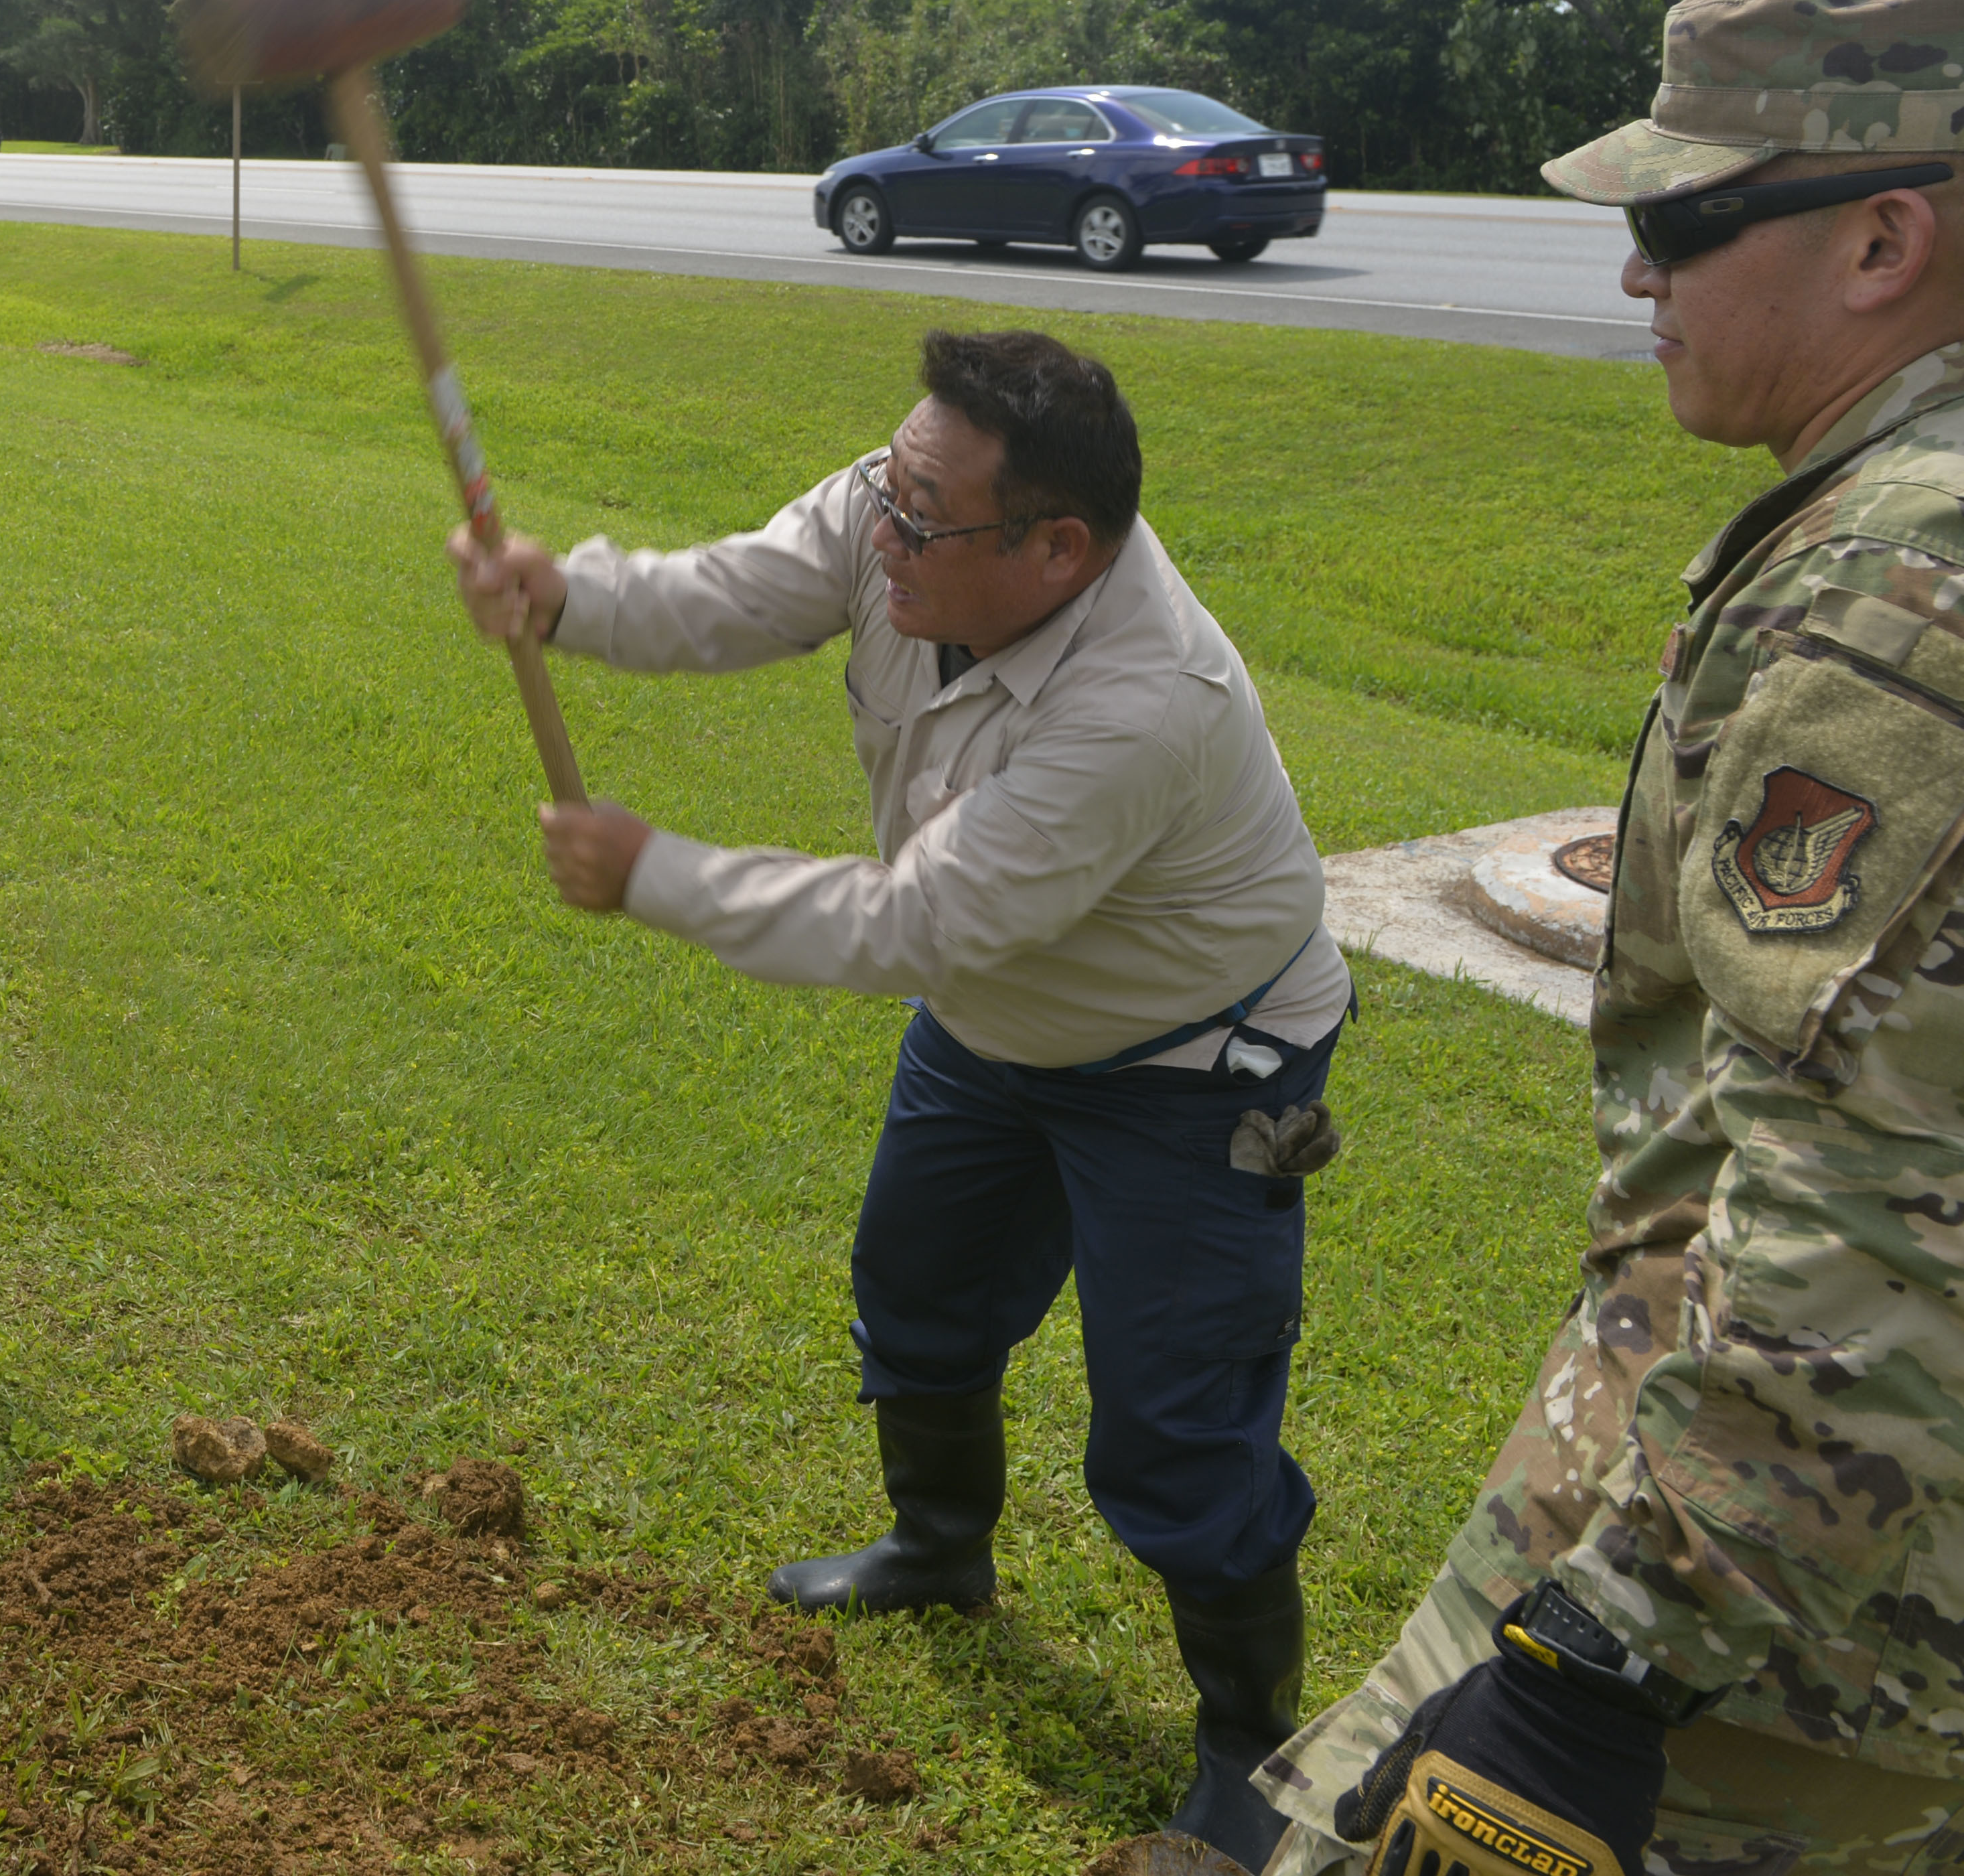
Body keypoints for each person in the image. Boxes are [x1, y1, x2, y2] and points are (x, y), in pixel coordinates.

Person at [1253, 0, 1964, 1875]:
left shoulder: (1907, 600)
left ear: (1876, 242)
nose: (1632, 270)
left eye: (1681, 215)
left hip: (1807, 1620)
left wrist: (1598, 1658)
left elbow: (1888, 1215)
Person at [451, 327, 1354, 1865]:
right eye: (889, 483)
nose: (881, 530)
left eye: (919, 514)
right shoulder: (909, 514)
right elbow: (747, 582)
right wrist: (570, 594)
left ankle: (1250, 1745)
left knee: (1172, 1417)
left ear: (1056, 546)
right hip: (997, 1018)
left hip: (1190, 1063)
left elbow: (908, 923)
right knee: (917, 1286)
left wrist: (654, 872)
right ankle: (940, 1551)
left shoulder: (1148, 701)